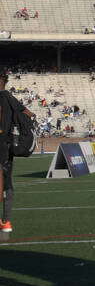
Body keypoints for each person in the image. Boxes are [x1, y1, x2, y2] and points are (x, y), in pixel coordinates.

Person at [0, 72, 35, 234]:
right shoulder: (9, 98)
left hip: (3, 146)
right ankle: (6, 221)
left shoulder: (6, 97)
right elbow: (29, 114)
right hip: (6, 146)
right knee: (7, 184)